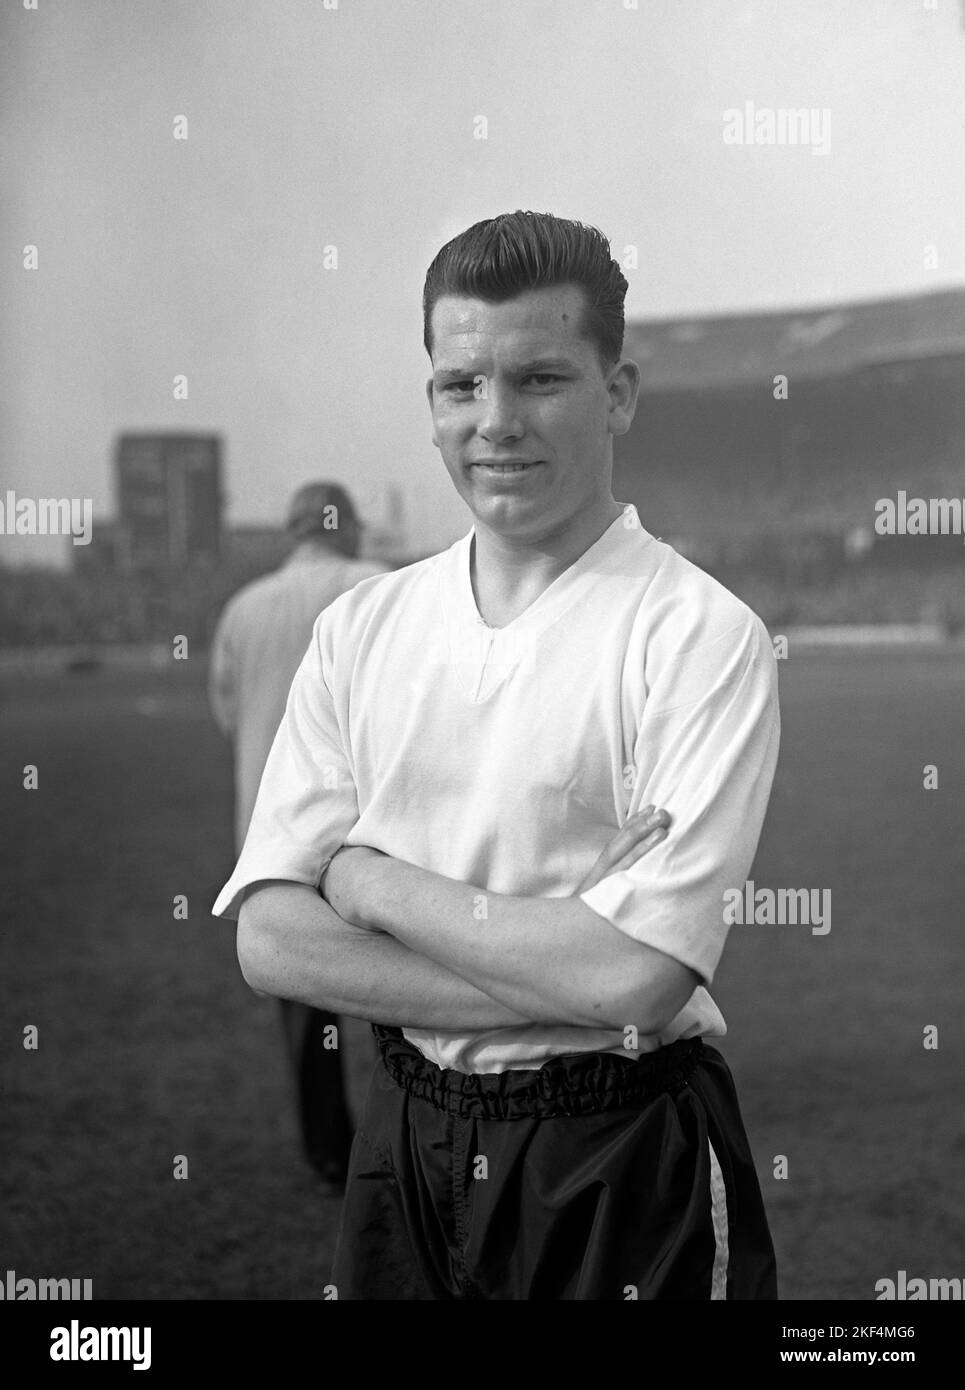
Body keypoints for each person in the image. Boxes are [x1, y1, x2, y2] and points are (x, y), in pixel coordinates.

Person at [213, 211, 782, 1300]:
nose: (495, 422)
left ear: (616, 393)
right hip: (407, 1134)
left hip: (616, 1151)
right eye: (459, 386)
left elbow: (639, 978)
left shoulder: (696, 637)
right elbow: (274, 944)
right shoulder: (361, 628)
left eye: (539, 380)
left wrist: (366, 878)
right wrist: (559, 962)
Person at [208, 481, 386, 1189]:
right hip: (370, 830)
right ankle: (407, 1142)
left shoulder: (242, 607)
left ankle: (328, 1153)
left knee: (304, 1002)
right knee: (402, 993)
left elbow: (227, 711)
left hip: (271, 826)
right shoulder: (378, 588)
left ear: (292, 530)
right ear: (346, 527)